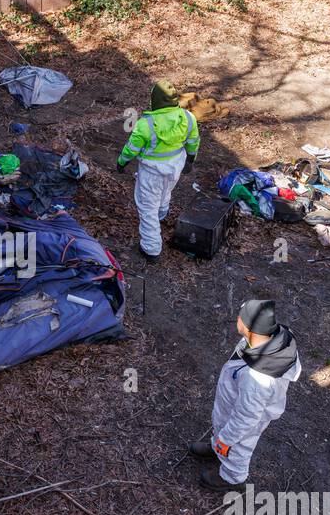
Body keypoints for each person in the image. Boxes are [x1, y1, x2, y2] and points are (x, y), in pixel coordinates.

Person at [189, 299, 301, 490]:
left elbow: (246, 418)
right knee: (223, 424)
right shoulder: (265, 337)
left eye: (240, 317)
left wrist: (226, 440)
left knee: (239, 445)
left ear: (249, 328)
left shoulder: (258, 379)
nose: (237, 318)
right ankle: (218, 448)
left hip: (244, 414)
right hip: (235, 400)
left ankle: (232, 477)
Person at [117, 82, 199, 263]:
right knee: (165, 193)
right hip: (175, 166)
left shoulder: (145, 124)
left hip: (152, 172)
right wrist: (191, 160)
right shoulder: (188, 117)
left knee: (147, 209)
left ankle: (151, 249)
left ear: (154, 101)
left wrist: (122, 163)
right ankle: (162, 215)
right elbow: (193, 141)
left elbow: (131, 148)